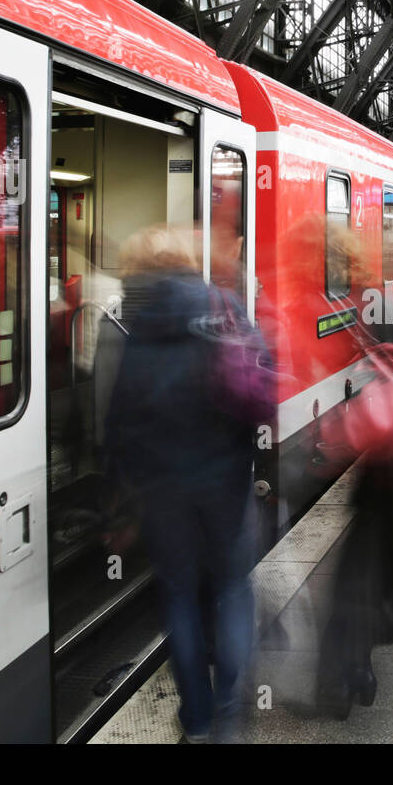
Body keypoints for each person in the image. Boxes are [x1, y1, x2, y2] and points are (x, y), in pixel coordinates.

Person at [103, 224, 272, 743]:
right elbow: (259, 376)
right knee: (231, 587)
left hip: (161, 489)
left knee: (178, 596)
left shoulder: (134, 321)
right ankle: (229, 710)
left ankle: (196, 718)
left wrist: (122, 495)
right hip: (224, 481)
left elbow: (119, 418)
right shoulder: (223, 306)